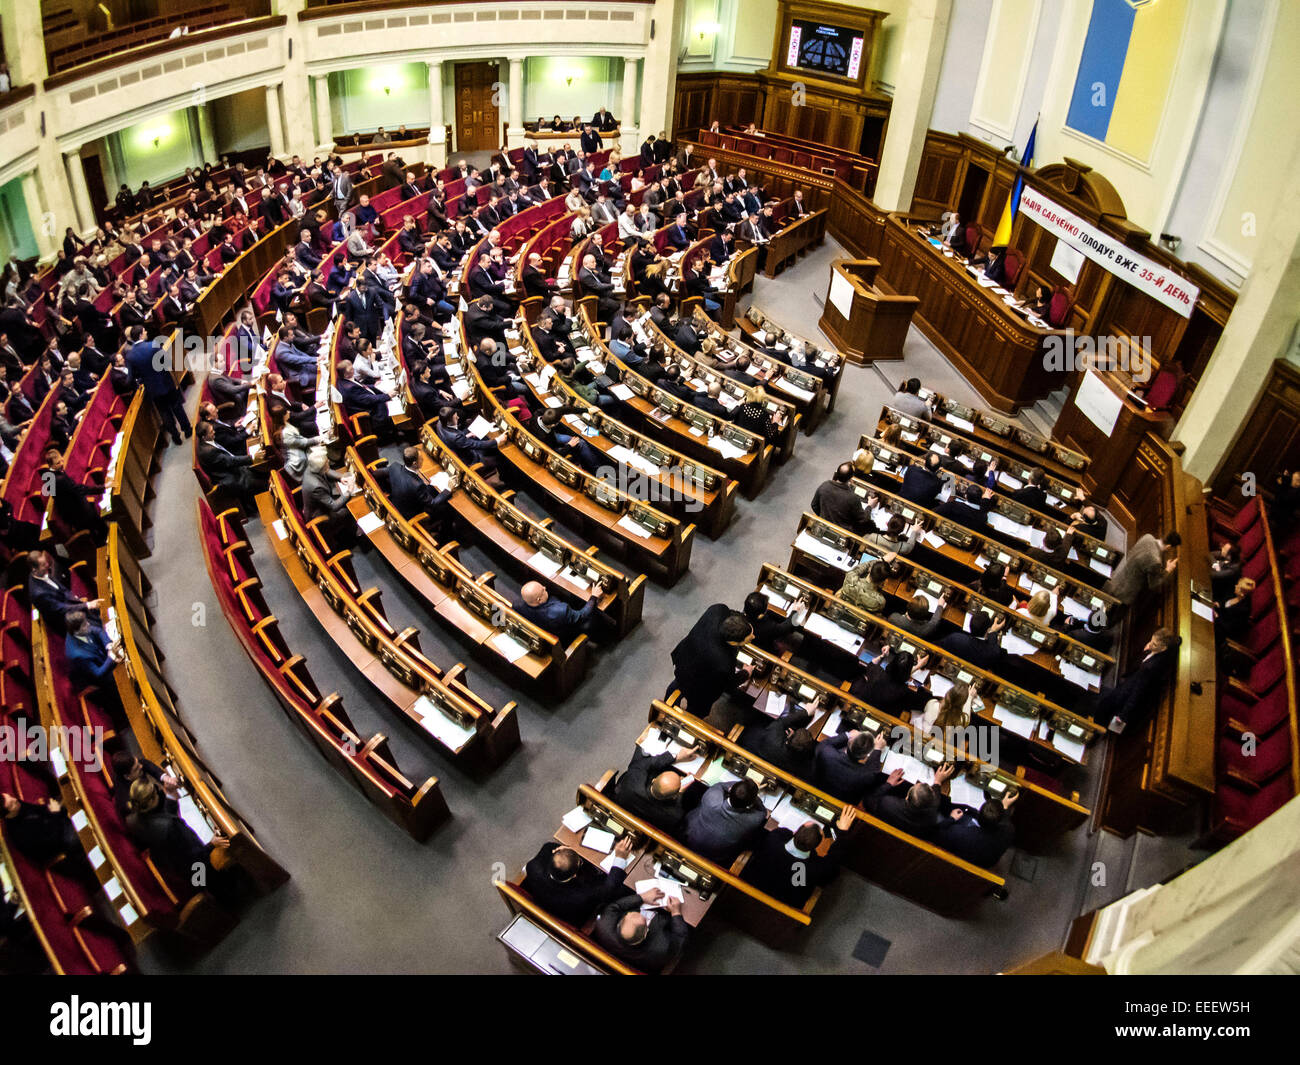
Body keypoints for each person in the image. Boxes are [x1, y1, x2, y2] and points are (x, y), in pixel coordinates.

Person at [741, 806, 855, 907]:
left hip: (750, 889)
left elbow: (779, 833)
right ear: (818, 845)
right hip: (787, 904)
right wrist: (843, 832)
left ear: (795, 831)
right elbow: (833, 863)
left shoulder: (774, 839)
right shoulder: (817, 869)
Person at [521, 837, 634, 925]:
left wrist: (564, 851)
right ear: (575, 874)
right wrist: (620, 858)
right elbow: (610, 888)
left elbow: (548, 846)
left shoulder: (533, 867)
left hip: (545, 897)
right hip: (572, 915)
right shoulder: (582, 896)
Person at [666, 604, 753, 718]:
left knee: (679, 682)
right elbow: (727, 684)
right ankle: (688, 722)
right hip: (699, 687)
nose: (754, 637)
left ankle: (667, 706)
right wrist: (746, 673)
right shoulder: (724, 663)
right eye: (748, 640)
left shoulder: (718, 610)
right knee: (697, 710)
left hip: (685, 658)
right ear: (734, 643)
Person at [592, 889, 688, 973]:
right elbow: (680, 936)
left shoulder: (604, 924)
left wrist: (642, 897)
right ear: (646, 932)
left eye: (628, 915)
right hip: (665, 914)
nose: (629, 913)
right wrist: (676, 912)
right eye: (643, 919)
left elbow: (616, 906)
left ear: (620, 923)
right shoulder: (661, 948)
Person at [125, 325, 191, 445]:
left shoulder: (130, 356)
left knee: (165, 413)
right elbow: (167, 361)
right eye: (144, 331)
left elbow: (130, 378)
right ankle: (187, 430)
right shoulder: (153, 345)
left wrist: (141, 380)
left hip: (152, 389)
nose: (146, 332)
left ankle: (176, 437)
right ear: (140, 335)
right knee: (177, 406)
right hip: (166, 382)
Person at [613, 744, 698, 833]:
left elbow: (642, 765)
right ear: (674, 796)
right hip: (643, 816)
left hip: (626, 801)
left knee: (642, 751)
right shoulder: (674, 815)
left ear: (654, 780)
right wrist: (680, 793)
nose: (681, 778)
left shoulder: (634, 780)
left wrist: (676, 757)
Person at [682, 778, 766, 864]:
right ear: (751, 804)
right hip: (715, 857)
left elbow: (721, 785)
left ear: (730, 789)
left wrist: (742, 787)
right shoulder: (754, 819)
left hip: (689, 836)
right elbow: (763, 811)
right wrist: (754, 794)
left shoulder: (712, 798)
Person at [933, 793, 1018, 868]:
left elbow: (937, 832)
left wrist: (951, 819)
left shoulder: (959, 833)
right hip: (986, 863)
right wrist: (1005, 807)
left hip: (964, 858)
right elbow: (1005, 822)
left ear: (978, 818)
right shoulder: (1009, 830)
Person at [1104, 531, 1180, 607]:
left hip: (1116, 579)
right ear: (1169, 547)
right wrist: (1168, 569)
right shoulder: (1155, 560)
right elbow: (1153, 584)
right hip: (1124, 594)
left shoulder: (1148, 537)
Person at [516, 579, 607, 643]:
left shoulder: (517, 604)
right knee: (594, 618)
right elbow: (582, 615)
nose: (544, 587)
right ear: (539, 600)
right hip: (565, 636)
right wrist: (594, 596)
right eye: (543, 590)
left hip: (543, 629)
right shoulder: (559, 611)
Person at [739, 704, 816, 777]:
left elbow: (781, 722)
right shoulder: (803, 764)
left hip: (755, 743)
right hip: (771, 758)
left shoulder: (772, 737)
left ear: (789, 737)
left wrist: (805, 712)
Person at [814, 729, 885, 803]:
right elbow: (874, 771)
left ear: (849, 742)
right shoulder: (866, 776)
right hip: (845, 801)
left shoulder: (827, 753)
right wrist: (878, 748)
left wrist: (847, 735)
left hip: (820, 788)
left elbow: (823, 744)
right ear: (865, 757)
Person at [810, 462, 870, 533]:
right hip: (843, 533)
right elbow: (864, 520)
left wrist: (824, 517)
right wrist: (870, 506)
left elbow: (814, 505)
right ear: (851, 479)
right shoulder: (853, 498)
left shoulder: (825, 485)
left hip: (823, 527)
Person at [939, 609, 1005, 670]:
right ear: (988, 630)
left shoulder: (955, 637)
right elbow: (995, 652)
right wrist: (993, 632)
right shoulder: (988, 651)